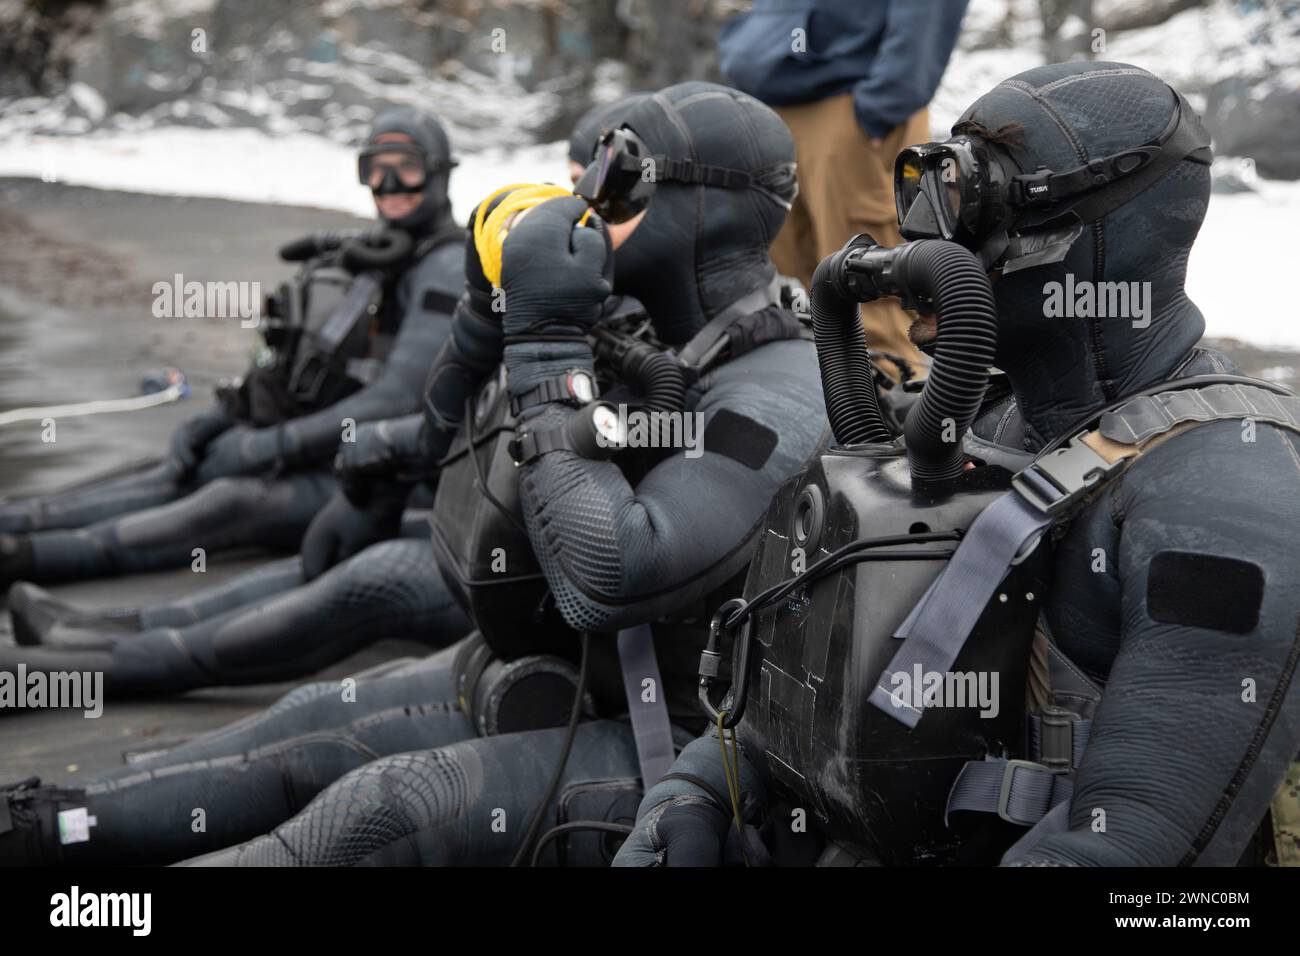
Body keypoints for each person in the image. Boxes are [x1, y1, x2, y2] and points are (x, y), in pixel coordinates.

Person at [0, 81, 829, 866]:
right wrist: (484, 313)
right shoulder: (653, 331)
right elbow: (453, 445)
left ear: (704, 209)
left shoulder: (782, 392)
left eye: (622, 176)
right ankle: (45, 823)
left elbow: (614, 572)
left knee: (385, 804)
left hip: (689, 749)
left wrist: (543, 344)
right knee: (310, 722)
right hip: (570, 669)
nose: (587, 200)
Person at [614, 62, 1300, 867]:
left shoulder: (1229, 502)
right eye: (924, 197)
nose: (923, 242)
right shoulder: (985, 417)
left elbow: (1130, 860)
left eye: (968, 206)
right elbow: (807, 672)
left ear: (1095, 244)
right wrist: (702, 786)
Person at [0, 108, 464, 590]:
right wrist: (220, 420)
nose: (388, 184)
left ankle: (27, 558)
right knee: (175, 468)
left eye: (405, 168)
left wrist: (271, 446)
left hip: (393, 480)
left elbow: (399, 398)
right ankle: (15, 519)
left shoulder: (447, 269)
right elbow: (286, 364)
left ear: (439, 171)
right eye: (375, 168)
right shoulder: (374, 256)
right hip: (321, 447)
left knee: (227, 500)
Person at [717, 0, 968, 382]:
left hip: (852, 106)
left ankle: (893, 426)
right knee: (783, 291)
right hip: (773, 105)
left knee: (871, 290)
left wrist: (883, 104)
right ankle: (812, 413)